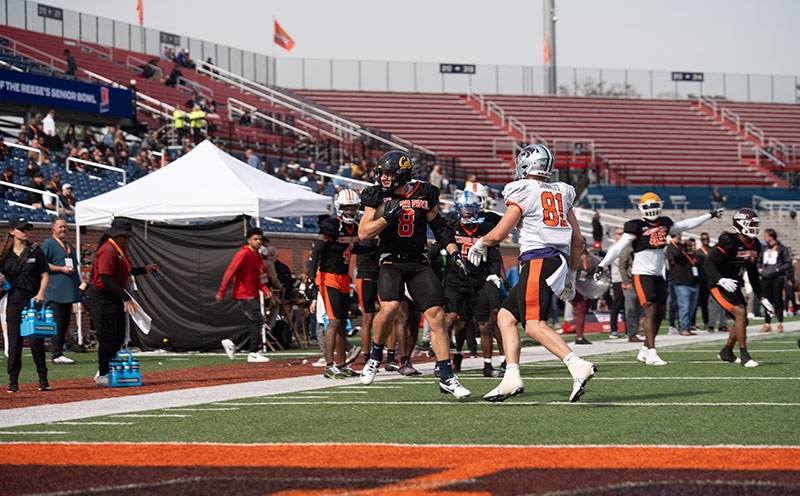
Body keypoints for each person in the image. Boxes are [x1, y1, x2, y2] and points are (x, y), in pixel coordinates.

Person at [466, 144, 596, 403]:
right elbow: (578, 241)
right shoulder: (562, 191)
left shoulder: (523, 189)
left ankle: (576, 364)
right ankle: (511, 376)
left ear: (526, 164)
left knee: (534, 325)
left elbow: (501, 232)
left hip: (538, 259)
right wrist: (570, 276)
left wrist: (482, 242)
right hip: (555, 260)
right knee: (505, 317)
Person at [358, 150, 471, 399]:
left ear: (403, 174)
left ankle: (446, 376)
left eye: (389, 174)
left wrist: (454, 252)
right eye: (382, 173)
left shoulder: (424, 192)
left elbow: (438, 226)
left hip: (418, 261)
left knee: (436, 315)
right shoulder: (376, 195)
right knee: (389, 308)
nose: (384, 178)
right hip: (390, 260)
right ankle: (375, 357)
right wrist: (386, 219)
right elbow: (364, 233)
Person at [594, 192, 722, 365]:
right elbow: (618, 247)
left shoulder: (664, 224)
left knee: (660, 313)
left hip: (659, 274)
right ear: (642, 208)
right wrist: (602, 265)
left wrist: (709, 215)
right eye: (649, 206)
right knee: (650, 309)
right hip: (642, 273)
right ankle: (652, 353)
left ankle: (645, 349)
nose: (653, 209)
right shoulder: (636, 226)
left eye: (655, 205)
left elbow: (686, 224)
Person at [84, 219, 159, 386]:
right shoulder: (108, 251)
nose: (127, 239)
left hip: (113, 296)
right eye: (124, 236)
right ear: (115, 235)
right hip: (100, 297)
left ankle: (109, 368)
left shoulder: (120, 250)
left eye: (128, 236)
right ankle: (103, 374)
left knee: (119, 336)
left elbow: (126, 270)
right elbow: (105, 277)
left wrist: (144, 270)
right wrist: (125, 297)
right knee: (107, 337)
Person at [444, 184, 504, 377]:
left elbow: (494, 254)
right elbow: (436, 248)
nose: (467, 214)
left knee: (485, 322)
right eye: (464, 210)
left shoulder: (487, 226)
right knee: (455, 320)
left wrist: (494, 274)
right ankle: (445, 360)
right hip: (456, 281)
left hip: (478, 280)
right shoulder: (451, 225)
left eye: (470, 210)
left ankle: (489, 364)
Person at [704, 208, 773, 367]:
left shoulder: (755, 244)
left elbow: (752, 273)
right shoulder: (729, 241)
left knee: (743, 320)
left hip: (733, 284)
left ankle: (727, 351)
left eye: (755, 224)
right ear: (740, 224)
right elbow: (708, 262)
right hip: (719, 284)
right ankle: (744, 355)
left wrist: (762, 297)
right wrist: (720, 279)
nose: (754, 227)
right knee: (741, 313)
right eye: (751, 224)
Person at [2, 216, 50, 392]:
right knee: (15, 340)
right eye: (21, 229)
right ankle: (13, 381)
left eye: (27, 229)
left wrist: (41, 293)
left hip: (33, 299)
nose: (25, 232)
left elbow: (45, 274)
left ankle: (43, 378)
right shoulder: (5, 255)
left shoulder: (36, 251)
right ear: (12, 231)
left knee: (36, 340)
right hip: (14, 299)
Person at [216, 226, 271, 363]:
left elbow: (258, 277)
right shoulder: (243, 254)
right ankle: (253, 352)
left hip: (251, 293)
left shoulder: (258, 256)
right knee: (258, 320)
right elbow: (230, 272)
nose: (258, 242)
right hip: (243, 294)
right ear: (249, 240)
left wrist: (265, 289)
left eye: (260, 239)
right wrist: (222, 291)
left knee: (257, 322)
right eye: (255, 239)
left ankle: (233, 342)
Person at [42, 217, 82, 364]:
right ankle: (56, 354)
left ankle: (60, 351)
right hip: (55, 292)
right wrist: (61, 269)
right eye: (60, 227)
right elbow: (43, 264)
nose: (63, 229)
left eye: (65, 227)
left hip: (67, 292)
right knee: (58, 323)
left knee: (65, 323)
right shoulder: (49, 244)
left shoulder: (68, 245)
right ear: (53, 229)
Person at [758, 228, 792, 333]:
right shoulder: (764, 249)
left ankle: (780, 323)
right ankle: (767, 324)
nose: (764, 237)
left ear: (771, 237)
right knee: (766, 301)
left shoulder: (782, 248)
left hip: (777, 278)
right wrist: (759, 268)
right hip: (765, 277)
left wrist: (779, 269)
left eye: (765, 236)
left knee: (778, 301)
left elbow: (788, 263)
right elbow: (759, 260)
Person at [667, 235, 700, 336]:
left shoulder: (695, 257)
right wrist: (681, 245)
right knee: (684, 307)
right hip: (682, 284)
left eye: (692, 246)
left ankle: (688, 327)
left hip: (694, 285)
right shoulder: (681, 257)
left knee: (691, 308)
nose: (690, 248)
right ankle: (683, 328)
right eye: (688, 246)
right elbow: (676, 254)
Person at [619, 241, 643, 342]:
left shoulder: (640, 249)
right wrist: (626, 282)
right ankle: (631, 333)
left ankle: (635, 331)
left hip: (640, 281)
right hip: (631, 281)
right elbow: (622, 266)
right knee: (631, 308)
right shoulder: (627, 250)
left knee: (638, 309)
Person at [607, 228, 626, 338]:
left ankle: (630, 330)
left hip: (627, 279)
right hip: (617, 278)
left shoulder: (627, 246)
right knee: (617, 305)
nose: (621, 235)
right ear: (615, 235)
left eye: (623, 233)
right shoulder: (613, 248)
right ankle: (614, 329)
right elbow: (619, 262)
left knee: (629, 305)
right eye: (619, 234)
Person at [694, 232, 712, 332]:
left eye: (707, 239)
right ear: (701, 240)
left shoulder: (712, 251)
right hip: (702, 280)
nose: (706, 241)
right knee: (699, 303)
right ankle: (694, 323)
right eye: (703, 239)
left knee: (709, 304)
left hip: (711, 279)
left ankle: (708, 323)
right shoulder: (698, 252)